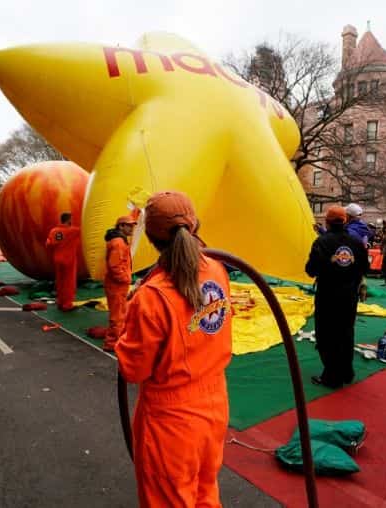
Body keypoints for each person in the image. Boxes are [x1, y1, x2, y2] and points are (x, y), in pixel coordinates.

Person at [115, 191, 232, 507]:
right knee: (205, 492)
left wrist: (123, 337)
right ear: (194, 226)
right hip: (214, 407)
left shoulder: (151, 296)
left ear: (151, 238)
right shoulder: (217, 270)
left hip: (172, 420)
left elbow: (134, 369)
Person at [304, 205, 368, 388]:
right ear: (345, 220)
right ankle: (346, 372)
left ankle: (332, 377)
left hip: (328, 295)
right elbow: (364, 267)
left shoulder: (322, 242)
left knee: (327, 335)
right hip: (349, 296)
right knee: (346, 332)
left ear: (327, 221)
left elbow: (311, 270)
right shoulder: (356, 243)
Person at [102, 215, 137, 352]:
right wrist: (125, 279)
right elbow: (115, 266)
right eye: (129, 225)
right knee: (117, 316)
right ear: (121, 226)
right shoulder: (118, 243)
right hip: (117, 285)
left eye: (132, 225)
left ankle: (115, 340)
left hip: (117, 284)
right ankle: (112, 343)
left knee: (120, 313)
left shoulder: (119, 241)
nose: (132, 228)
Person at [45, 212, 81, 311]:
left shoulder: (54, 231)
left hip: (57, 259)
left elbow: (48, 244)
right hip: (69, 260)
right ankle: (67, 305)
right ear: (69, 220)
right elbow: (86, 230)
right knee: (69, 283)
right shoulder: (73, 230)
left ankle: (60, 302)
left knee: (60, 282)